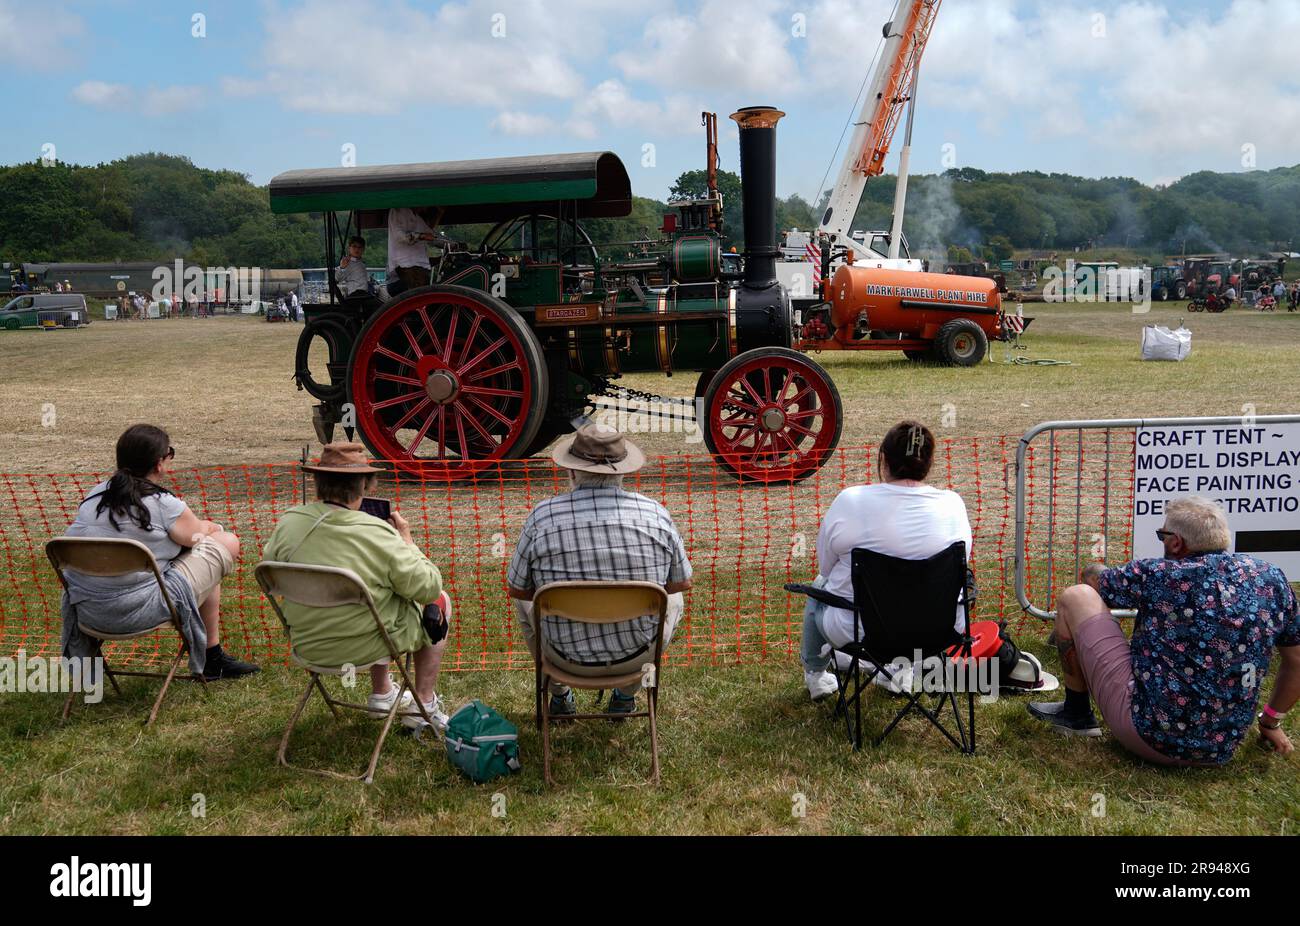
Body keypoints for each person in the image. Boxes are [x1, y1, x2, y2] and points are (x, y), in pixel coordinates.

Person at [1027, 496, 1299, 766]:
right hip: (1223, 748)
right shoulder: (1271, 578)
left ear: (1176, 542)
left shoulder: (1157, 574)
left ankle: (1076, 714)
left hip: (1150, 735)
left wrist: (1096, 571)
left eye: (1162, 535)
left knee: (1077, 596)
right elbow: (1296, 660)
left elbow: (1093, 583)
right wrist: (1271, 721)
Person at [262, 442, 452, 731]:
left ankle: (383, 693)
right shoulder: (378, 532)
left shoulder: (289, 522)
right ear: (364, 485)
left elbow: (269, 570)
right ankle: (423, 705)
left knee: (379, 595)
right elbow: (428, 587)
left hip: (309, 645)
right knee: (440, 600)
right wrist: (407, 541)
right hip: (365, 644)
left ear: (317, 481)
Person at [507, 424, 692, 717]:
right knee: (673, 601)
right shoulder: (656, 514)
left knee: (525, 601)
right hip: (636, 656)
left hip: (563, 656)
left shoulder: (541, 517)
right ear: (622, 470)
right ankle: (626, 694)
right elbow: (680, 583)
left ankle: (559, 694)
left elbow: (518, 588)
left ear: (570, 471)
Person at [61, 424, 257, 680]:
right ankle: (212, 656)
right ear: (159, 464)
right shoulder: (164, 504)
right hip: (142, 609)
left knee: (202, 558)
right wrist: (214, 526)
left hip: (88, 611)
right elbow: (197, 535)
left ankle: (212, 656)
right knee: (225, 543)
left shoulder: (95, 494)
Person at [800, 421, 973, 701]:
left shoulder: (850, 501)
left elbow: (825, 568)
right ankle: (898, 670)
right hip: (940, 632)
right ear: (929, 462)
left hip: (862, 633)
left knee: (820, 585)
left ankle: (816, 675)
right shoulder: (953, 504)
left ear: (883, 458)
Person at [385, 207, 439, 297]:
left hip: (421, 266)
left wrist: (453, 244)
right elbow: (400, 236)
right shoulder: (397, 211)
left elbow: (432, 236)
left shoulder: (418, 218)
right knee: (417, 298)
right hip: (406, 265)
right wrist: (421, 236)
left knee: (424, 296)